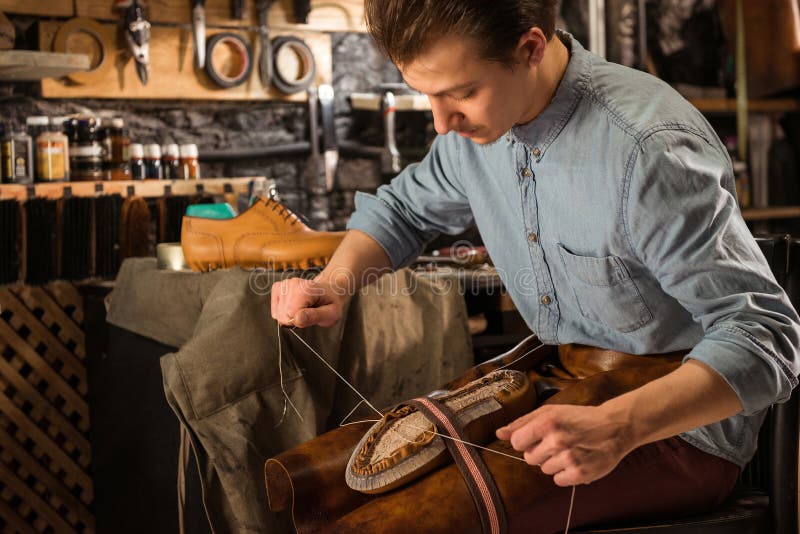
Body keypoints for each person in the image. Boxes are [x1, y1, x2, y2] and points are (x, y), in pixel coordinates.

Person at [271, 0, 800, 529]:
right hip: (556, 383)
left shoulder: (646, 148)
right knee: (309, 487)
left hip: (676, 430)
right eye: (427, 95)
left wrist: (617, 427)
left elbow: (765, 338)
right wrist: (335, 283)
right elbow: (403, 209)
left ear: (529, 48)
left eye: (461, 93)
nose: (442, 121)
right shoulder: (479, 128)